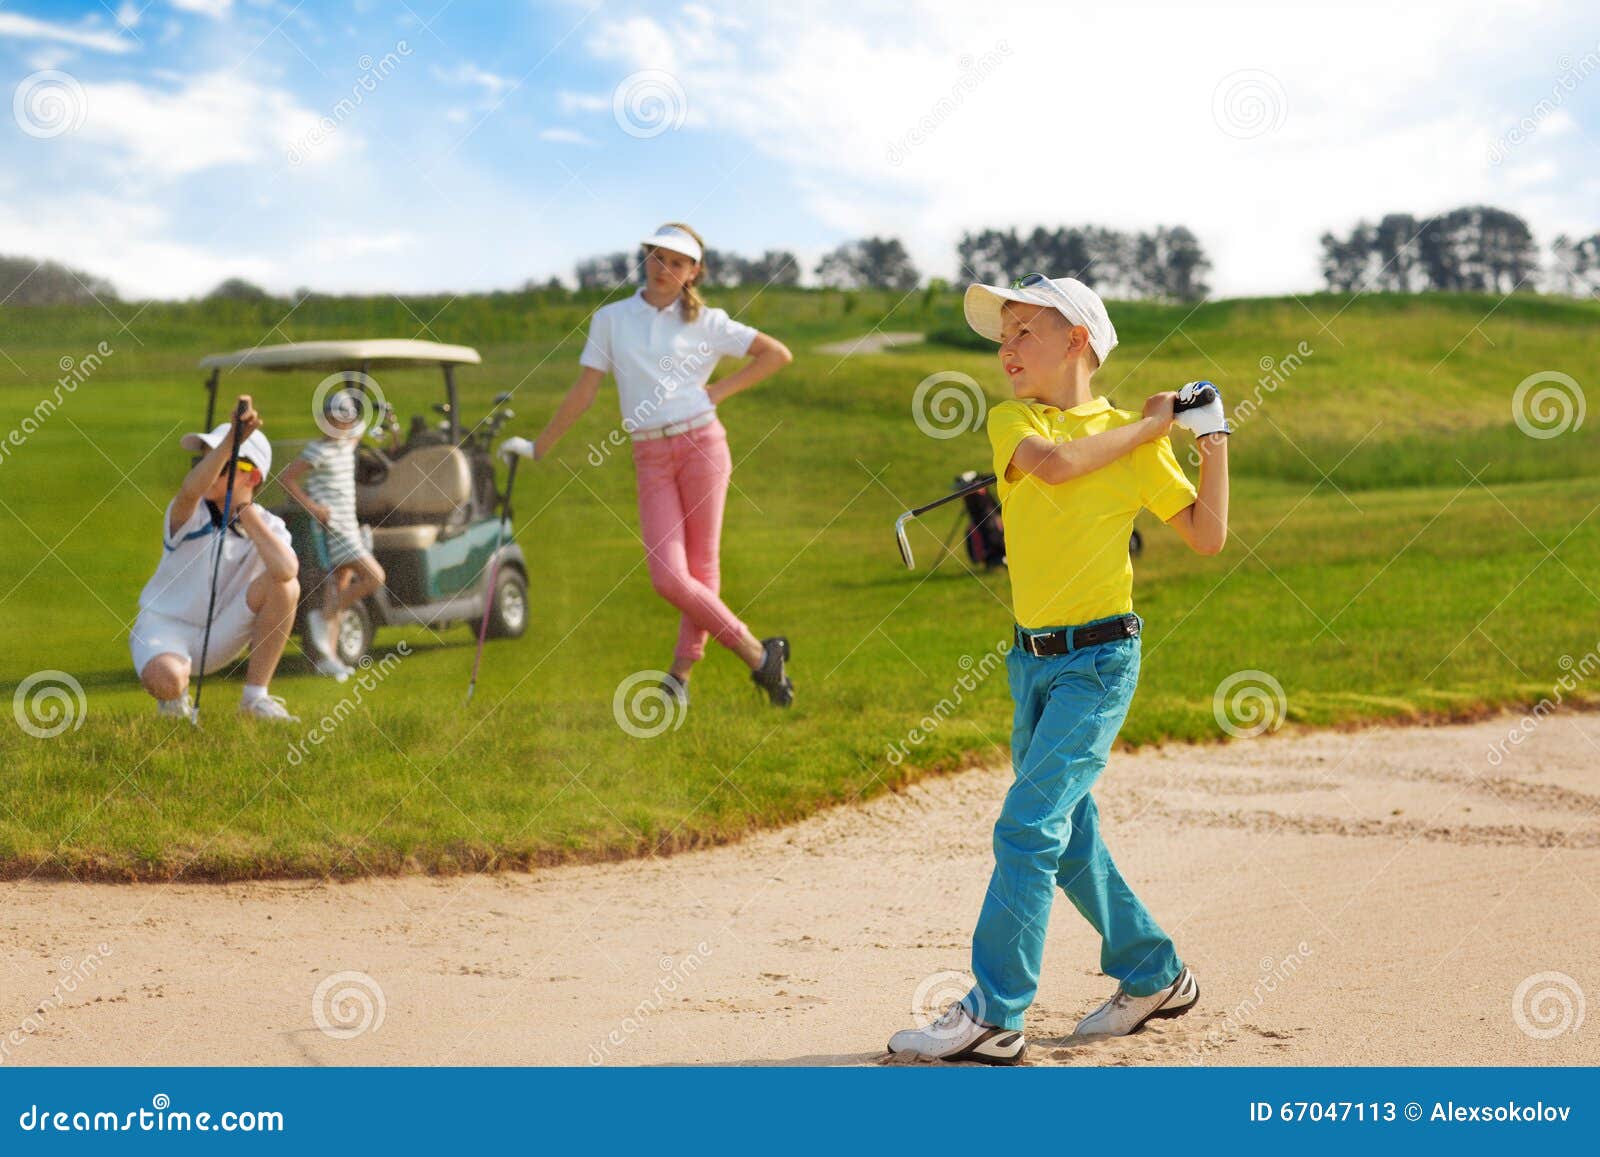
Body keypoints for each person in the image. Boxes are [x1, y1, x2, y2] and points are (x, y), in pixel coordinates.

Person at [887, 275, 1231, 1064]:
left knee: (1027, 826)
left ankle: (994, 1011)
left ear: (1078, 338)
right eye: (1001, 334)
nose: (1005, 349)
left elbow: (1207, 535)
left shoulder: (1135, 441)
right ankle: (1155, 972)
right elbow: (1059, 467)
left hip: (1100, 662)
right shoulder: (1016, 419)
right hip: (1028, 663)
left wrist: (1210, 442)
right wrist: (1149, 429)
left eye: (1024, 332)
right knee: (1068, 838)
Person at [499, 223, 796, 709]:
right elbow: (585, 390)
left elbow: (776, 354)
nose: (664, 269)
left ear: (694, 272)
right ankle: (759, 655)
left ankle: (679, 677)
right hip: (650, 454)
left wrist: (718, 392)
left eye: (677, 263)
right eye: (657, 258)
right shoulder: (612, 319)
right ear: (646, 259)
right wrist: (538, 447)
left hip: (703, 445)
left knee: (702, 569)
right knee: (668, 577)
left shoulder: (710, 321)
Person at [129, 394, 302, 723]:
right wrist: (230, 443)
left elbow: (286, 570)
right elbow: (190, 490)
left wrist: (245, 515)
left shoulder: (269, 525)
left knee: (286, 586)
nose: (207, 473)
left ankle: (255, 699)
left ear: (252, 477)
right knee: (166, 680)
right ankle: (173, 699)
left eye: (221, 466)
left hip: (220, 634)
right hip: (164, 626)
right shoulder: (189, 513)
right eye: (203, 462)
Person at [277, 387, 387, 680]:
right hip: (336, 528)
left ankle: (329, 660)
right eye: (334, 418)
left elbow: (363, 424)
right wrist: (312, 507)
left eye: (346, 418)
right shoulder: (318, 450)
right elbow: (286, 479)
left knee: (337, 589)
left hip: (350, 524)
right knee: (375, 577)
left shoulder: (347, 445)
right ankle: (322, 616)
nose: (342, 423)